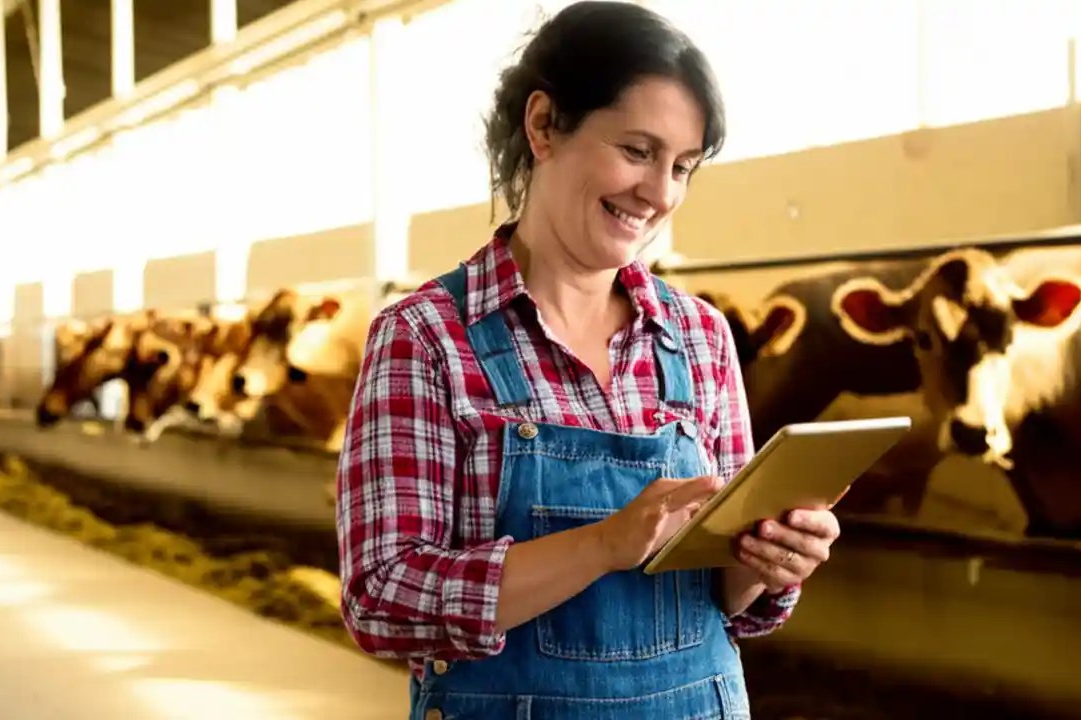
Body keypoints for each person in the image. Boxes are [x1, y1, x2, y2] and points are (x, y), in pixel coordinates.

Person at [336, 2, 842, 717]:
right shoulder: (425, 338)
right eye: (637, 151)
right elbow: (381, 599)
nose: (660, 193)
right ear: (543, 125)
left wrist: (769, 561)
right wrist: (604, 543)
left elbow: (721, 602)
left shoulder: (699, 337)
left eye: (683, 167)